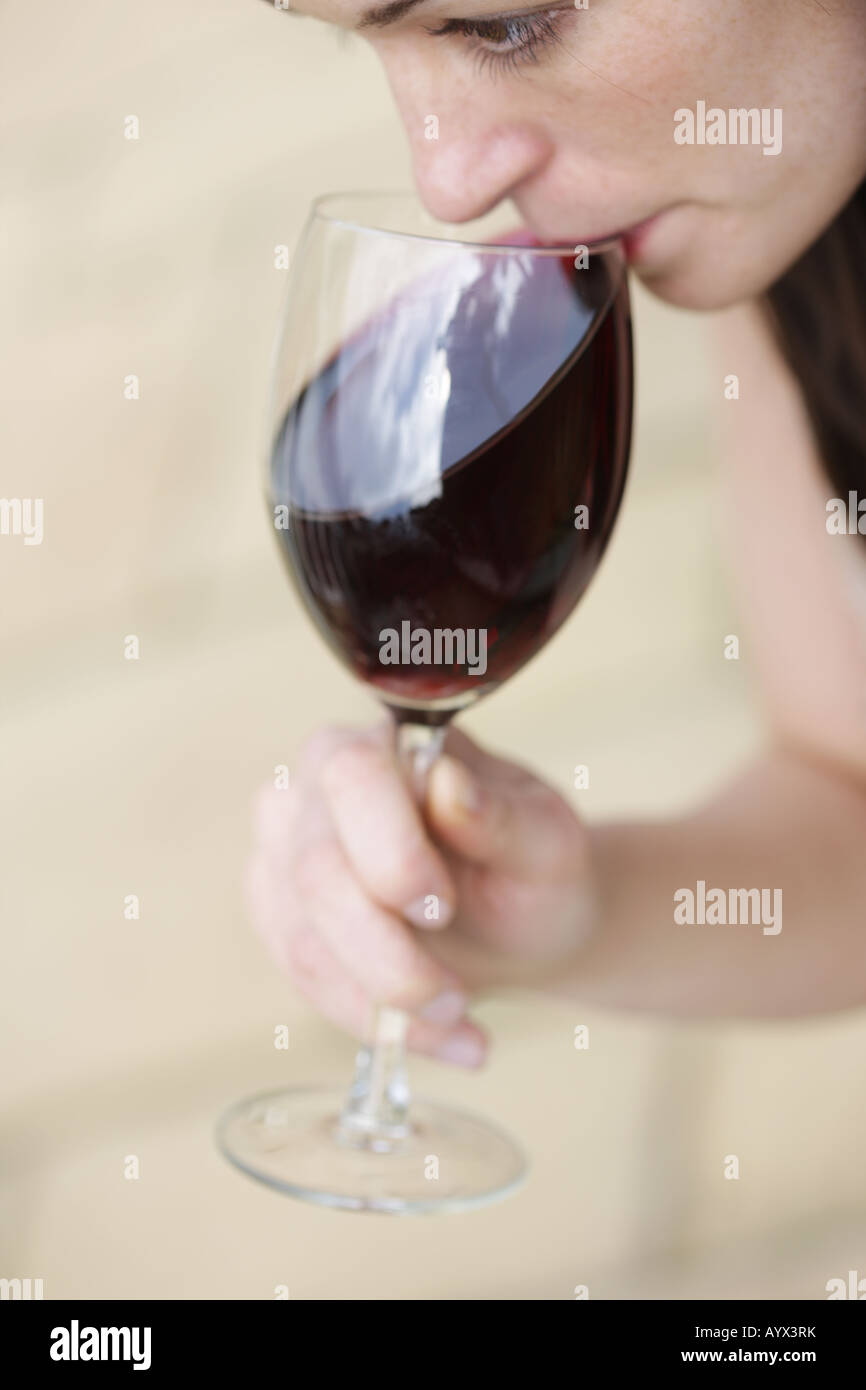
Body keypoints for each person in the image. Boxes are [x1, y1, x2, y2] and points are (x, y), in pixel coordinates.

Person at [248, 0, 866, 1068]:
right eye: (362, 38)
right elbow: (846, 783)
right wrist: (571, 914)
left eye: (501, 23)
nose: (447, 179)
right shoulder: (795, 226)